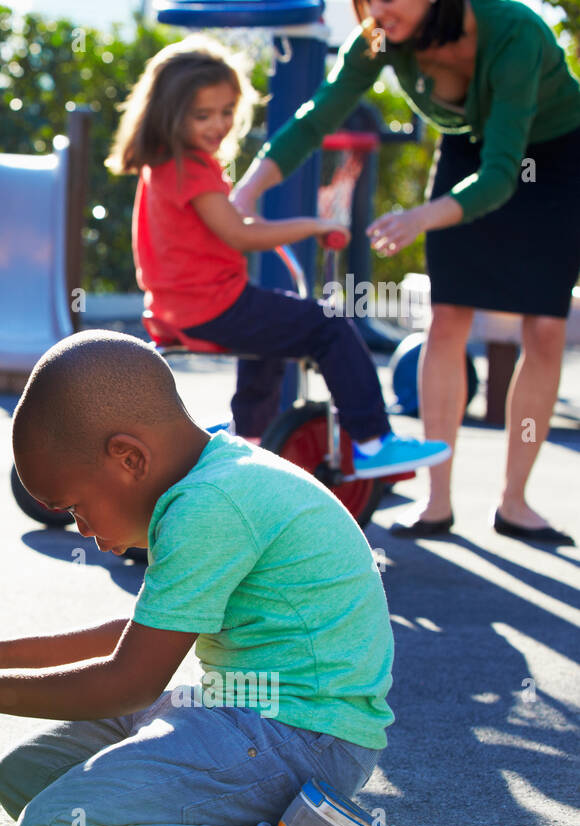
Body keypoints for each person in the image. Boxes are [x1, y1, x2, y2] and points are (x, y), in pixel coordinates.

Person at [0, 330, 425, 826]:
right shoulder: (214, 475)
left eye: (75, 506)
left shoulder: (207, 507)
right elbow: (143, 635)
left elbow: (131, 681)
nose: (79, 530)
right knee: (27, 778)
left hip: (302, 736)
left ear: (128, 458)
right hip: (245, 715)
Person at [232, 0, 580, 543]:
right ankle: (436, 502)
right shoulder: (380, 37)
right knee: (447, 319)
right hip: (469, 150)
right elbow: (319, 115)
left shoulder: (513, 32)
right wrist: (247, 190)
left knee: (544, 326)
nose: (377, 8)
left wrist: (419, 218)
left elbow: (504, 173)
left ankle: (516, 502)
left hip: (550, 159)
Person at [107, 35, 450, 479]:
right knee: (328, 325)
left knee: (272, 327)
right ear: (169, 114)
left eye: (228, 112)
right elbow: (239, 235)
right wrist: (315, 225)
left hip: (176, 308)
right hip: (210, 305)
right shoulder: (191, 168)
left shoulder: (162, 165)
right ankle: (371, 441)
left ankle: (250, 438)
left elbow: (220, 230)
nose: (219, 125)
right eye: (203, 115)